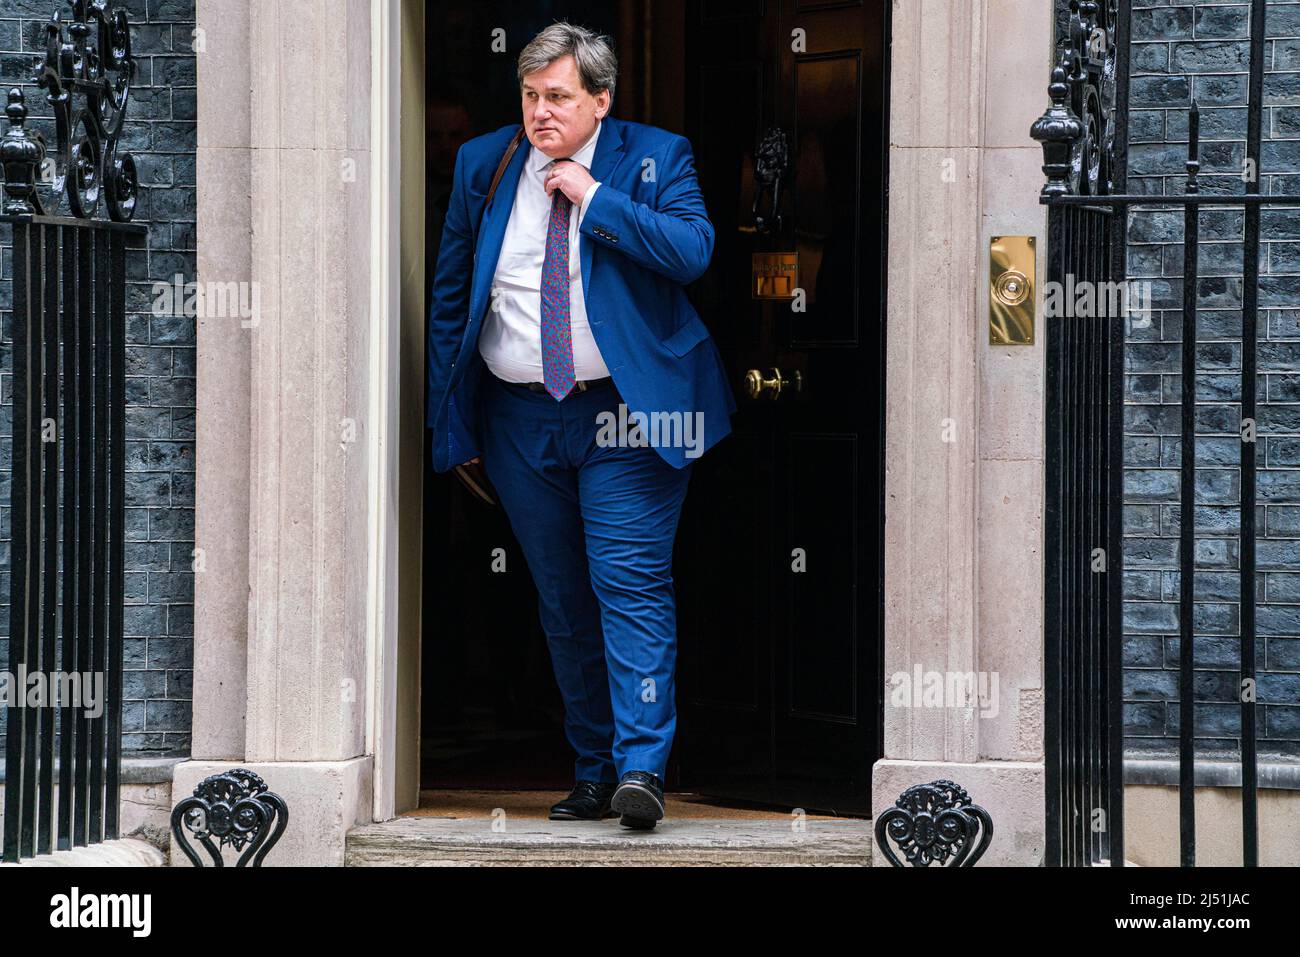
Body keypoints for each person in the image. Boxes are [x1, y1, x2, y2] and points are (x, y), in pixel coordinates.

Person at [425, 20, 736, 829]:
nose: (540, 112)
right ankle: (593, 768)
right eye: (530, 95)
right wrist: (452, 422)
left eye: (558, 97)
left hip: (626, 414)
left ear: (601, 99)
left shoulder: (655, 157)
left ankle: (641, 767)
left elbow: (692, 250)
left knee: (627, 584)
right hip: (519, 417)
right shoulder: (485, 163)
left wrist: (594, 197)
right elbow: (452, 294)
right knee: (563, 601)